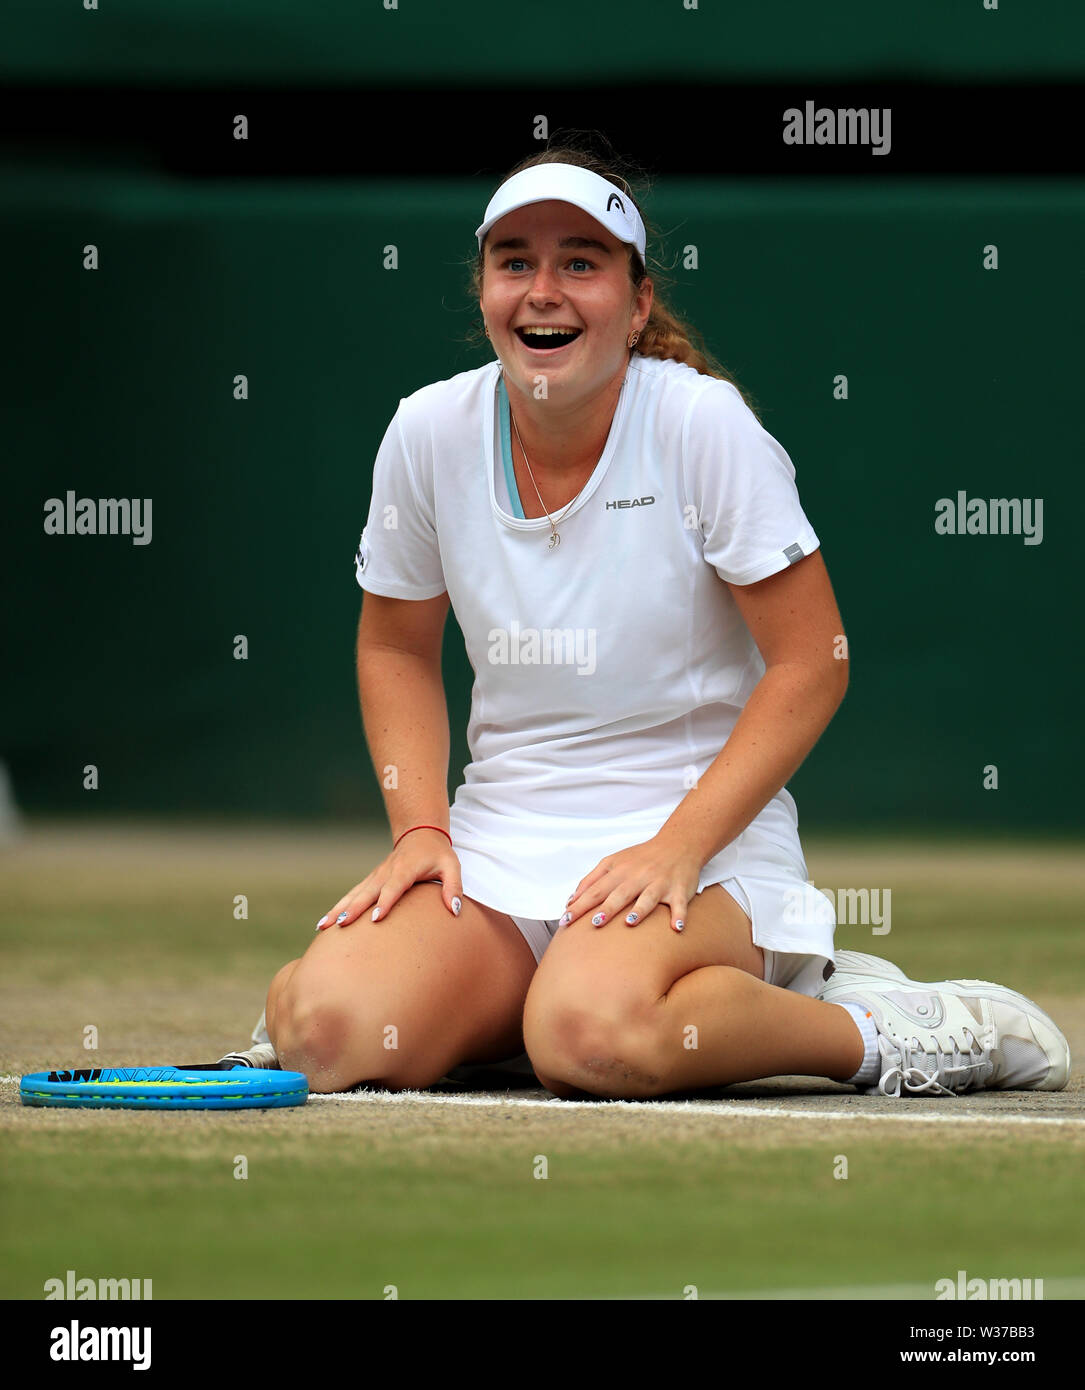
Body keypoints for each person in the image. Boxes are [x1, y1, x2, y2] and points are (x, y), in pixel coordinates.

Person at [223, 139, 1070, 1102]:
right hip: (499, 849)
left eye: (579, 263)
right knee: (329, 1038)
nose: (543, 289)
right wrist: (421, 831)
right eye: (516, 262)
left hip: (701, 848)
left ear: (634, 305)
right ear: (484, 292)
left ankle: (874, 1026)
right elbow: (393, 645)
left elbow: (813, 661)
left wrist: (677, 846)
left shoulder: (702, 426)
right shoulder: (426, 431)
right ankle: (502, 1006)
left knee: (594, 1040)